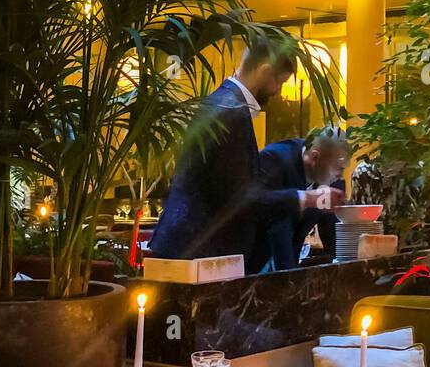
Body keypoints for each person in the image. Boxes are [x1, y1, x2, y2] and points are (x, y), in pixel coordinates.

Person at [149, 35, 297, 273]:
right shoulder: (232, 111)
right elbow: (238, 196)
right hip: (200, 252)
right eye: (279, 83)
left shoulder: (220, 101)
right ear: (265, 71)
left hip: (183, 244)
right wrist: (301, 199)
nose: (278, 92)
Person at [252, 127, 350, 272]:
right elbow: (257, 204)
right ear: (315, 158)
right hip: (249, 260)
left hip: (290, 266)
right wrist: (308, 198)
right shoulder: (275, 158)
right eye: (339, 168)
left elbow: (331, 231)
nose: (341, 175)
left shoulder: (332, 179)